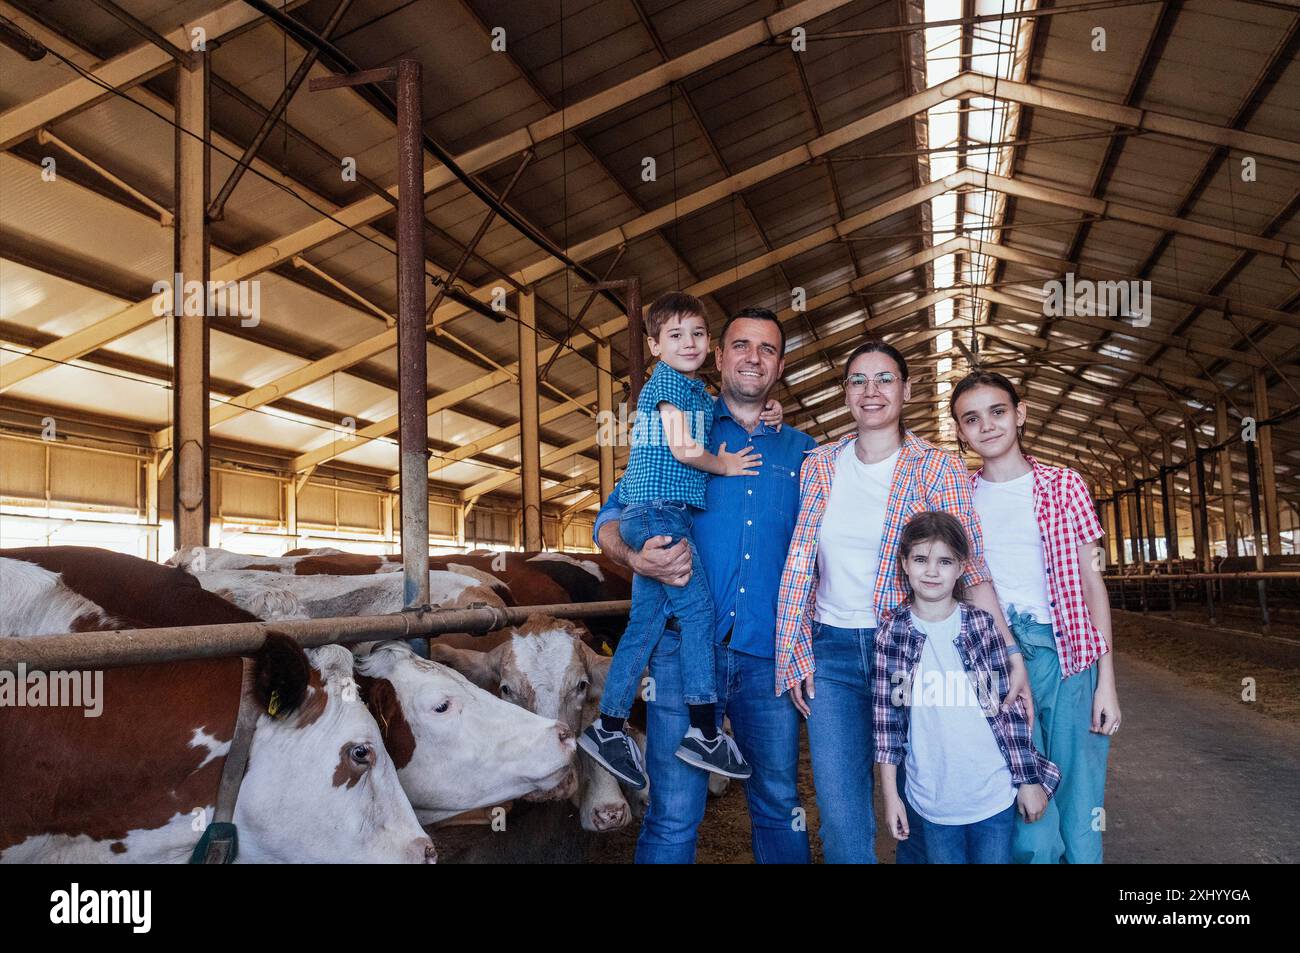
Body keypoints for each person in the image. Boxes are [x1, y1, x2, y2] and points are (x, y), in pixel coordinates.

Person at [773, 339, 1031, 864]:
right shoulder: (818, 464)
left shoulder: (938, 469)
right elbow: (802, 563)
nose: (872, 391)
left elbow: (973, 566)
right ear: (845, 392)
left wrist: (1010, 653)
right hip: (834, 653)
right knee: (842, 814)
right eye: (859, 381)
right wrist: (795, 648)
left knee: (924, 795)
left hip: (918, 650)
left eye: (885, 379)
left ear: (908, 390)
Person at [593, 306, 817, 863]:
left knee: (779, 801)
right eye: (741, 345)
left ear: (781, 365)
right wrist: (633, 557)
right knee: (673, 810)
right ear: (719, 357)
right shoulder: (679, 427)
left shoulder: (805, 452)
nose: (753, 357)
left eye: (767, 349)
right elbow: (610, 517)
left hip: (769, 654)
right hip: (680, 652)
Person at [581, 293, 779, 788]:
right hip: (656, 516)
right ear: (653, 345)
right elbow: (685, 449)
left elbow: (706, 422)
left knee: (642, 626)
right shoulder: (667, 386)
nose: (687, 343)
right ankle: (705, 729)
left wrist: (771, 412)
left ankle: (607, 726)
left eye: (695, 334)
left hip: (667, 521)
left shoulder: (697, 396)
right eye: (675, 336)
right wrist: (726, 463)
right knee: (697, 614)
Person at [951, 370, 1120, 864]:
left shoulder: (1065, 486)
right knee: (1024, 800)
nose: (987, 426)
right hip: (998, 660)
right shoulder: (960, 497)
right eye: (972, 419)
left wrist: (1105, 681)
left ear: (1020, 414)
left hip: (1069, 656)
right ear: (961, 432)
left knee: (1080, 797)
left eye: (998, 411)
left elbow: (1093, 584)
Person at [875, 511, 1060, 864]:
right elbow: (888, 724)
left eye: (944, 561)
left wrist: (1027, 780)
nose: (931, 571)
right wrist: (891, 796)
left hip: (992, 792)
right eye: (920, 559)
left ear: (961, 567)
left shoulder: (980, 625)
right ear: (904, 563)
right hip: (933, 799)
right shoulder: (892, 635)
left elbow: (1007, 710)